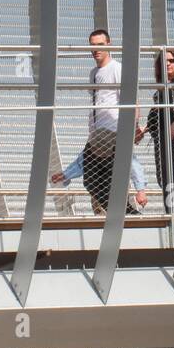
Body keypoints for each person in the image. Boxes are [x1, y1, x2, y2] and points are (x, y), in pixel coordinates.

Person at [51, 29, 148, 215]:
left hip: (114, 130)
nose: (96, 49)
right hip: (98, 134)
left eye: (100, 45)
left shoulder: (117, 69)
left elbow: (132, 99)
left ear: (109, 45)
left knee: (115, 169)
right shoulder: (94, 73)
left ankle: (130, 206)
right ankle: (126, 213)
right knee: (91, 178)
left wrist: (134, 127)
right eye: (92, 46)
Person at [138, 48, 174, 214]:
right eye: (164, 61)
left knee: (170, 177)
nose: (168, 64)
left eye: (171, 60)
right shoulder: (164, 84)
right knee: (163, 177)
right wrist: (144, 129)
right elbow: (158, 112)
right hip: (161, 137)